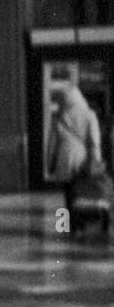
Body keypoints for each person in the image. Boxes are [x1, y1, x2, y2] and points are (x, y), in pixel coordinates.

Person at [47, 83, 103, 218]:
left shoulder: (58, 117)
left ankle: (66, 224)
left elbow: (52, 144)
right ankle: (81, 221)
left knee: (68, 193)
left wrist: (50, 164)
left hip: (64, 158)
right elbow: (94, 142)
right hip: (84, 158)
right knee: (83, 191)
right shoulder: (90, 115)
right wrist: (96, 161)